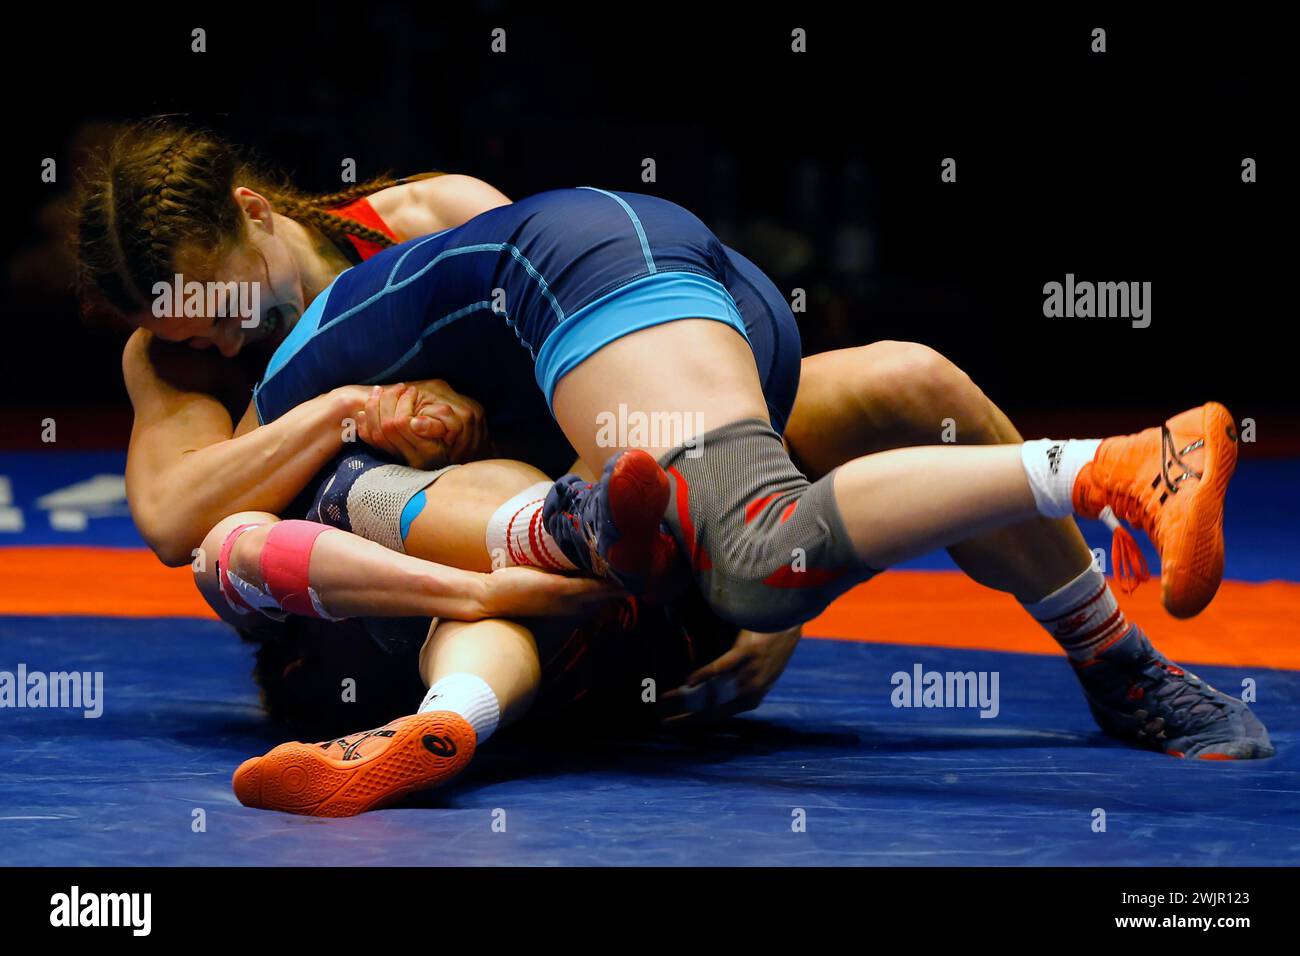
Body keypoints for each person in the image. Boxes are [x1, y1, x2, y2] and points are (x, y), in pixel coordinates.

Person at [72, 124, 1271, 814]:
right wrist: (342, 410)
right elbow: (177, 514)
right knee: (890, 393)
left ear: (251, 211)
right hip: (570, 481)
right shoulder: (186, 361)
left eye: (212, 298)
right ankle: (477, 693)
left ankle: (1122, 653)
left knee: (817, 479)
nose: (213, 339)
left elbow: (573, 338)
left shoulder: (424, 219)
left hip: (596, 424)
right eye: (179, 328)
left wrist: (786, 606)